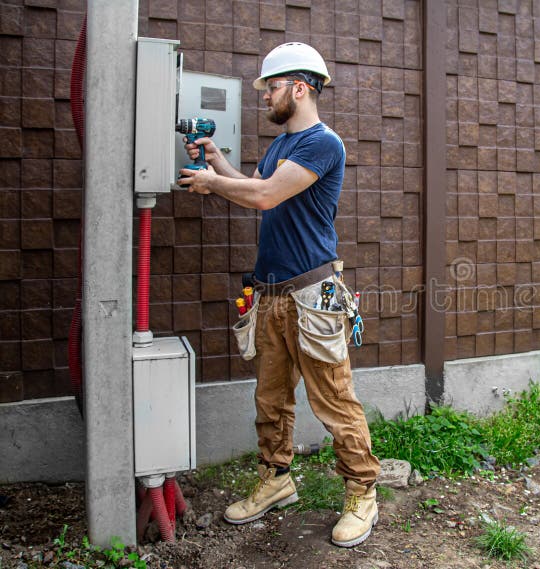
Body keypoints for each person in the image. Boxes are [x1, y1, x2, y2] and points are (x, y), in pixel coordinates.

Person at [178, 42, 381, 548]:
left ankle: (362, 492)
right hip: (269, 295)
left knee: (333, 399)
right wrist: (217, 162)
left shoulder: (322, 143)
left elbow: (265, 196)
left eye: (271, 87)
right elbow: (255, 189)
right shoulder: (280, 147)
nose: (265, 97)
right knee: (270, 400)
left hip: (312, 296)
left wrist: (209, 182)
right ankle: (277, 480)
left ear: (300, 87)